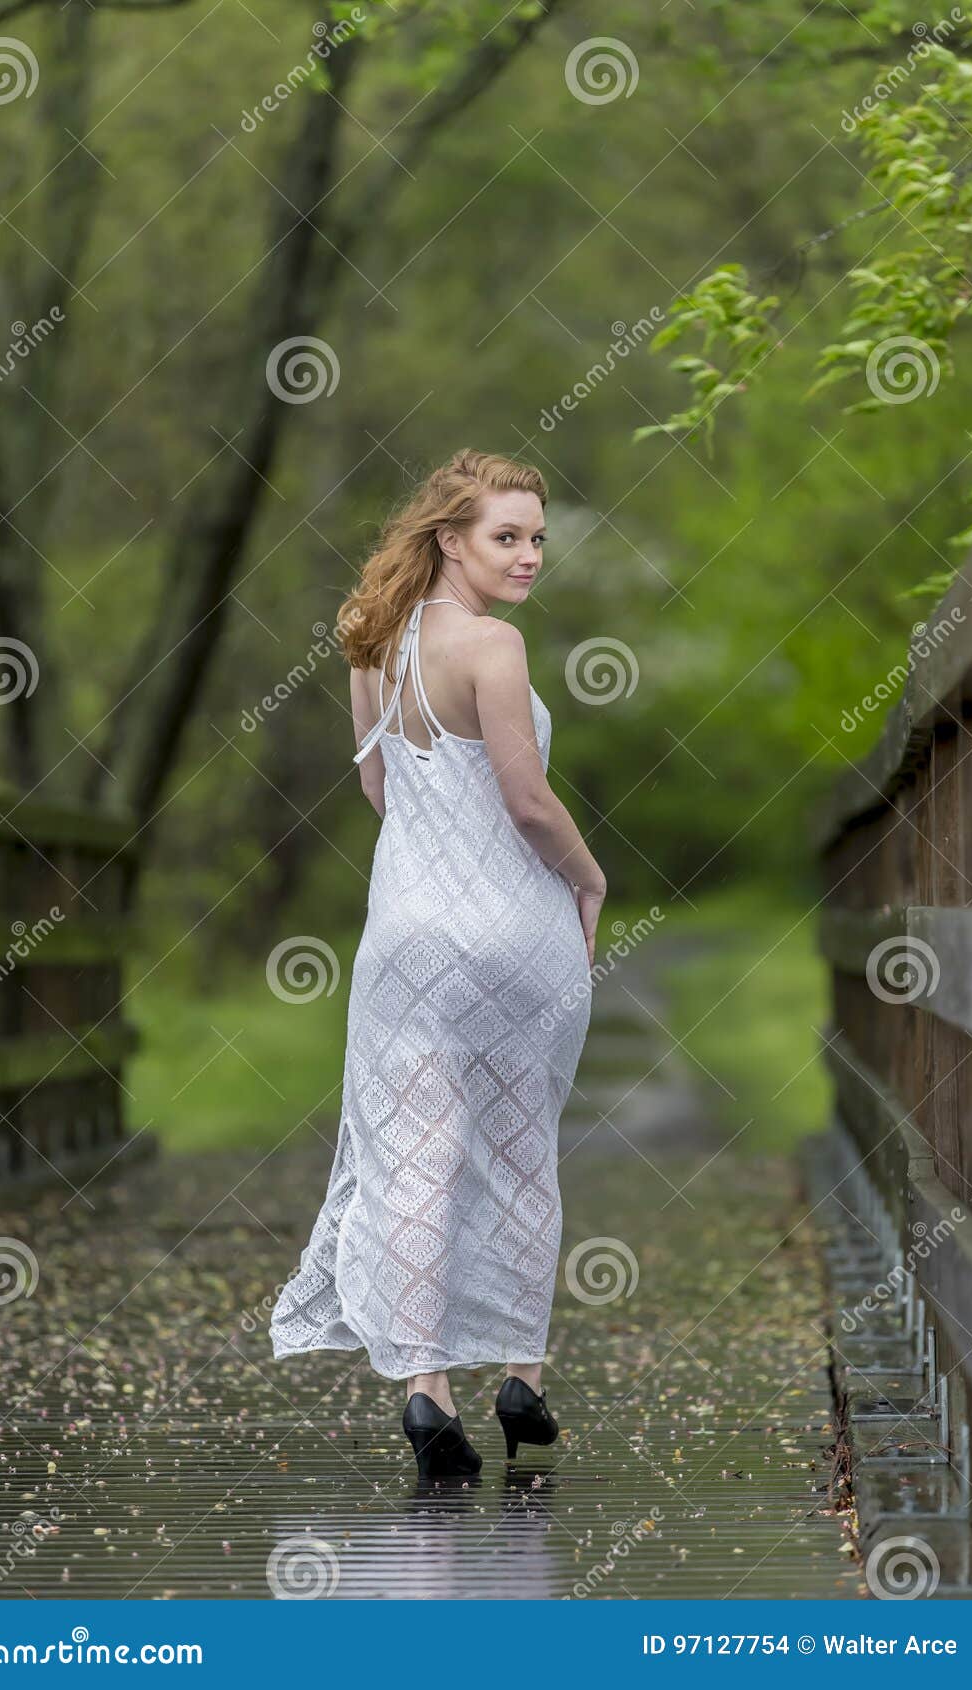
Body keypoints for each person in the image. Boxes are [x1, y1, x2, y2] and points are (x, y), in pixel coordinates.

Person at [269, 447, 605, 1480]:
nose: (528, 554)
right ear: (450, 539)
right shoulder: (492, 649)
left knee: (415, 1153)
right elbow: (526, 802)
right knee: (516, 1149)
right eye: (506, 535)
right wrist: (589, 882)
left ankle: (427, 1397)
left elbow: (381, 792)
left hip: (407, 936)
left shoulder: (372, 640)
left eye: (537, 536)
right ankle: (523, 1380)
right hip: (511, 932)